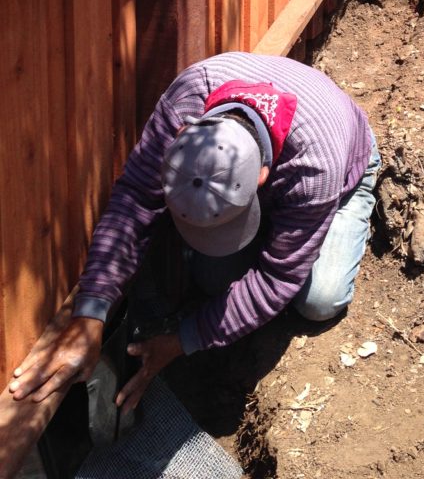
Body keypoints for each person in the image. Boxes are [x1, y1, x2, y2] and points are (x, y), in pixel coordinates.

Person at [9, 53, 380, 413]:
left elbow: (278, 277)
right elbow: (136, 199)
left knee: (320, 301)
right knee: (213, 278)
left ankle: (340, 212)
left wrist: (181, 341)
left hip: (344, 176)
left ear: (262, 177)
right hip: (282, 185)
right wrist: (90, 312)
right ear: (181, 134)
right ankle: (273, 235)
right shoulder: (188, 96)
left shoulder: (314, 168)